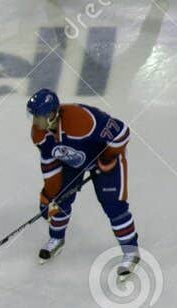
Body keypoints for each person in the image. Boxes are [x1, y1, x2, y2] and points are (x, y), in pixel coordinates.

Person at [27, 87, 140, 279]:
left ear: (53, 114)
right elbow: (50, 165)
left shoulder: (83, 120)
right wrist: (49, 195)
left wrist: (108, 157)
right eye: (34, 116)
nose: (36, 122)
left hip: (106, 162)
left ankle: (131, 252)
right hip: (73, 162)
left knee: (114, 207)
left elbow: (122, 132)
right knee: (59, 202)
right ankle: (56, 239)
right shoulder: (40, 134)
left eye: (40, 116)